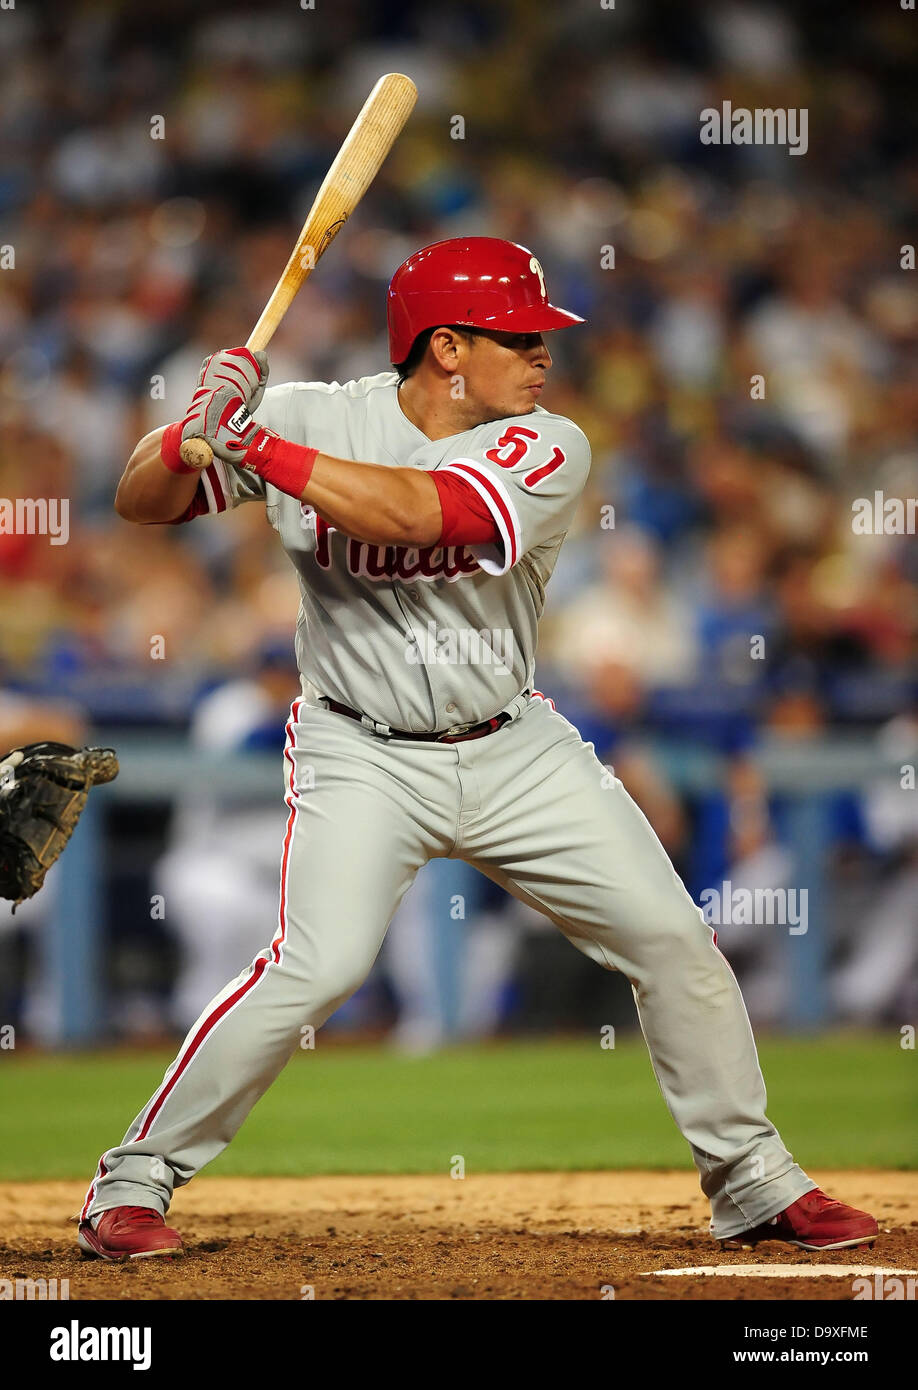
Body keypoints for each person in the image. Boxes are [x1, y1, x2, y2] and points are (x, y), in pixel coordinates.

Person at [78, 237, 876, 1262]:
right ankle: (133, 1182)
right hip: (360, 747)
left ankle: (756, 1181)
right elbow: (140, 501)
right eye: (522, 337)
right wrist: (194, 429)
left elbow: (428, 515)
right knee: (314, 969)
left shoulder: (549, 443)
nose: (545, 354)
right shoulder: (315, 413)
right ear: (446, 346)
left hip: (513, 746)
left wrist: (257, 448)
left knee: (674, 939)